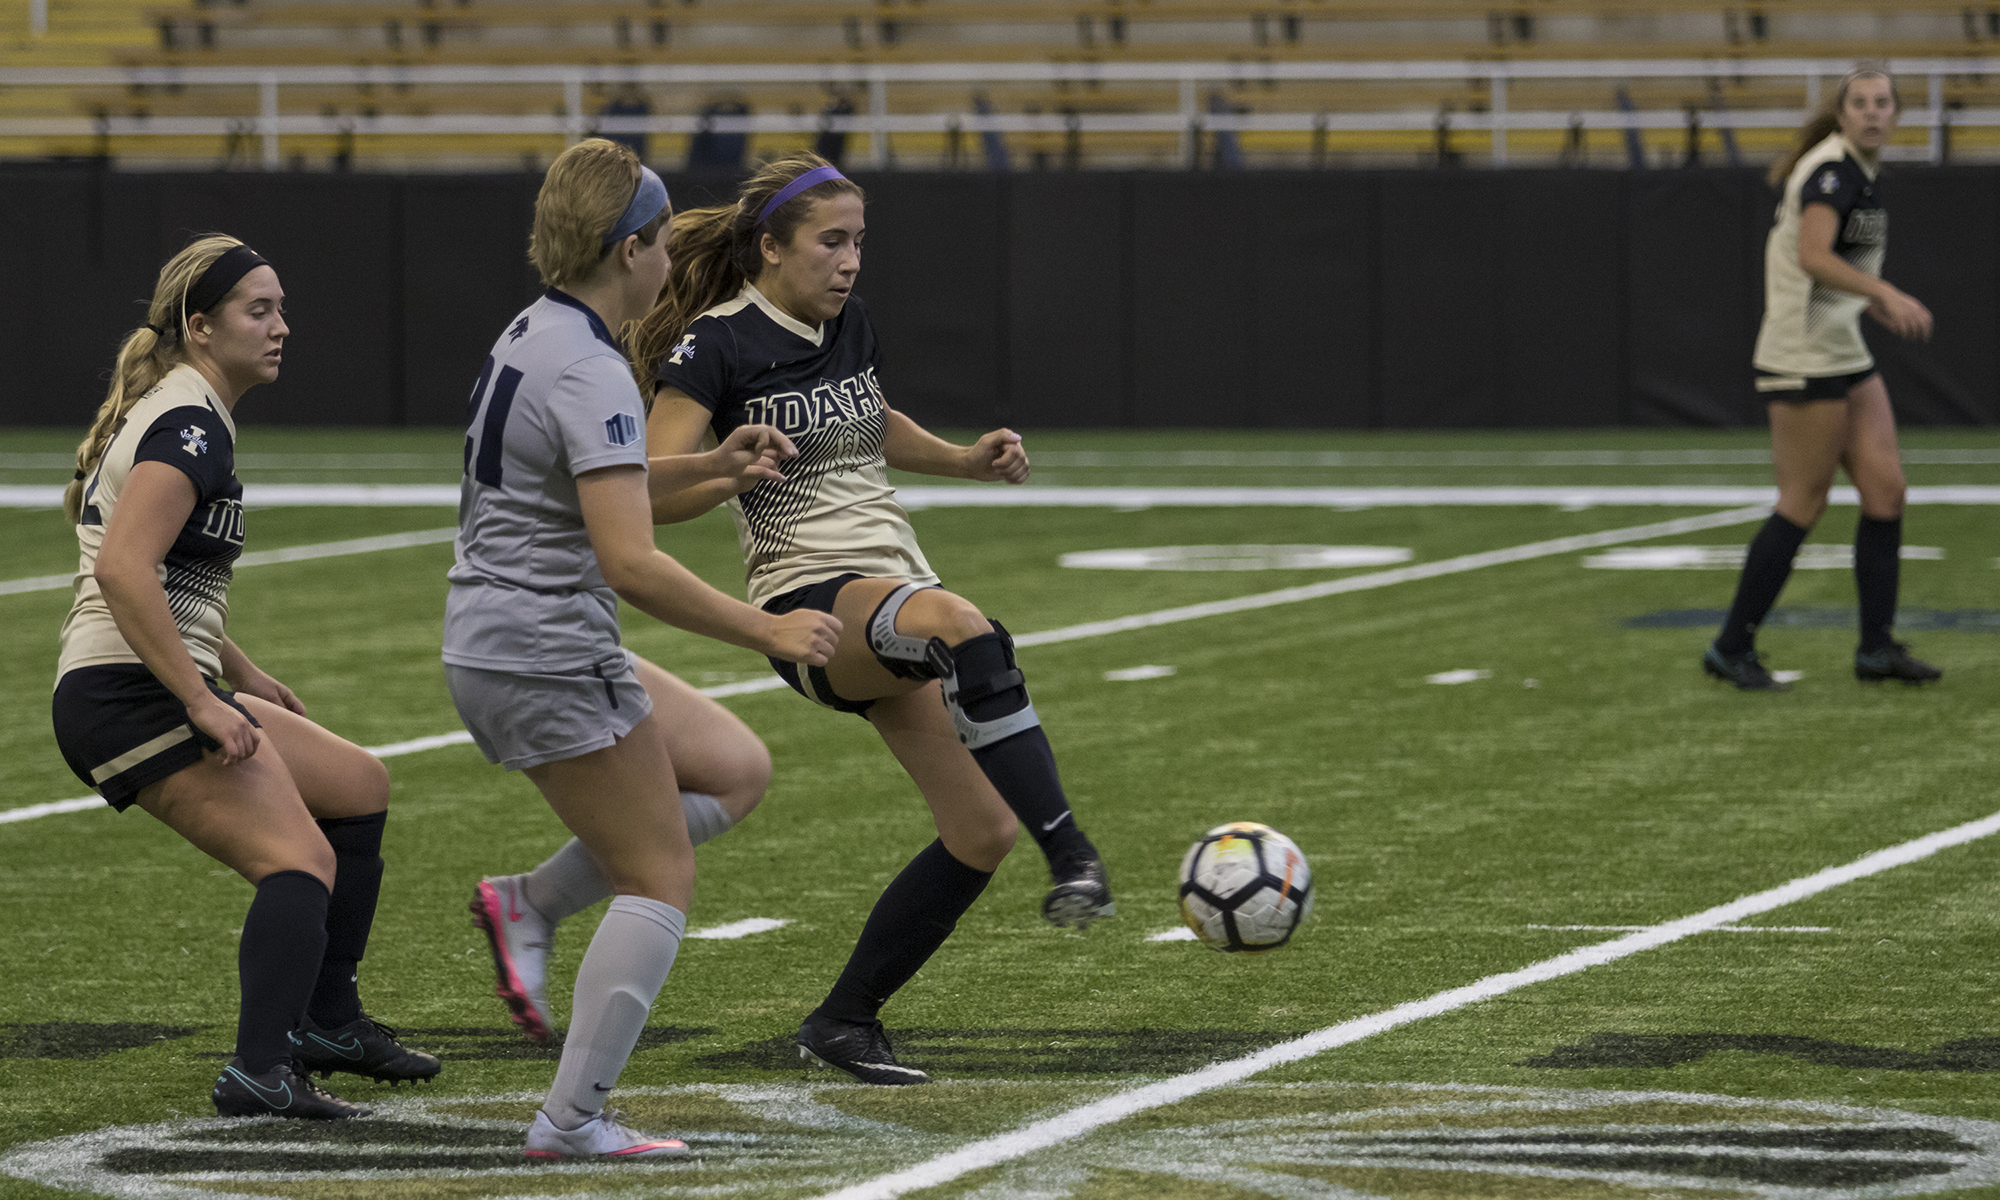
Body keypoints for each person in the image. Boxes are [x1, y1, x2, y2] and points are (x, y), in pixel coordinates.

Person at [622, 151, 1113, 1086]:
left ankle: (844, 1019)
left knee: (979, 832)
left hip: (887, 592)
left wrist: (965, 461)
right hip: (809, 606)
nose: (849, 262)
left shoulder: (844, 322)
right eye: (830, 242)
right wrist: (725, 465)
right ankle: (1076, 856)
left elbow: (871, 418)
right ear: (769, 248)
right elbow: (646, 490)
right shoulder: (716, 346)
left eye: (859, 243)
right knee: (963, 626)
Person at [443, 138, 839, 1159]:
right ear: (629, 251)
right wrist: (767, 625)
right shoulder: (589, 365)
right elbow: (630, 560)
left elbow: (601, 491)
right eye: (661, 242)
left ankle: (524, 905)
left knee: (732, 768)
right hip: (541, 643)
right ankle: (569, 1120)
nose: (671, 258)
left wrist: (713, 466)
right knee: (658, 875)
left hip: (508, 634)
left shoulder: (538, 331)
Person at [51, 235, 437, 1122]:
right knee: (297, 861)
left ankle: (328, 1024)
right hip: (126, 694)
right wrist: (199, 699)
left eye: (281, 308)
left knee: (356, 785)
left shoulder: (193, 410)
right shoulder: (188, 421)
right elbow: (122, 570)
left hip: (150, 675)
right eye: (258, 311)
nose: (281, 327)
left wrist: (242, 670)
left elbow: (174, 583)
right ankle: (262, 1067)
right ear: (200, 328)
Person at [1704, 66, 1940, 691]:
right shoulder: (1832, 173)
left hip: (1841, 349)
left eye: (1881, 103)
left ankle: (1876, 649)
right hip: (1803, 356)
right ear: (1842, 115)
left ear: (1896, 114)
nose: (1871, 112)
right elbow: (1812, 257)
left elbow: (1827, 272)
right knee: (1803, 503)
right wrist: (1885, 292)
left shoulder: (1860, 174)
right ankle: (1731, 646)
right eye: (1859, 103)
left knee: (1886, 491)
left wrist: (1867, 302)